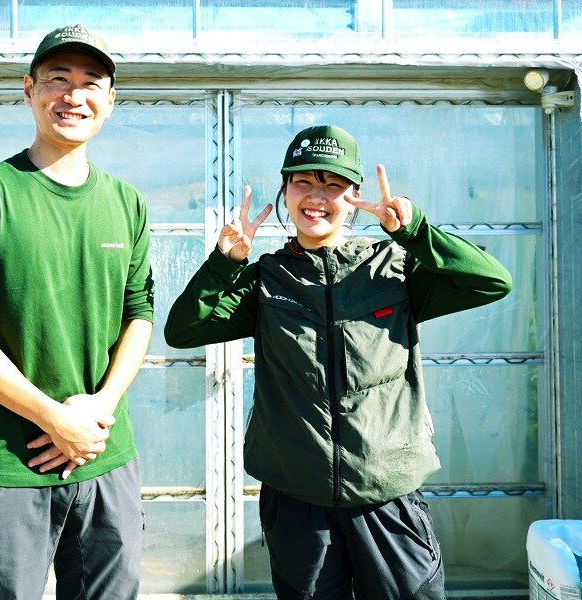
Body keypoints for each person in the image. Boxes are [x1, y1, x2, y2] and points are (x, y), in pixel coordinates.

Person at [164, 124, 512, 600]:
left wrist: (415, 232)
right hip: (298, 501)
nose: (316, 197)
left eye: (333, 184)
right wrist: (225, 263)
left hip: (387, 494)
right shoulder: (267, 279)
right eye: (303, 182)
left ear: (354, 198)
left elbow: (491, 281)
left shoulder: (394, 270)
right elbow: (183, 331)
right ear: (285, 192)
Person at [0, 23, 154, 600]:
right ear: (29, 89)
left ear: (110, 100)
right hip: (9, 461)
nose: (73, 96)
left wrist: (97, 410)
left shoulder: (126, 202)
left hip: (104, 455)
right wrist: (55, 418)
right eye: (59, 79)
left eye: (91, 82)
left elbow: (139, 316)